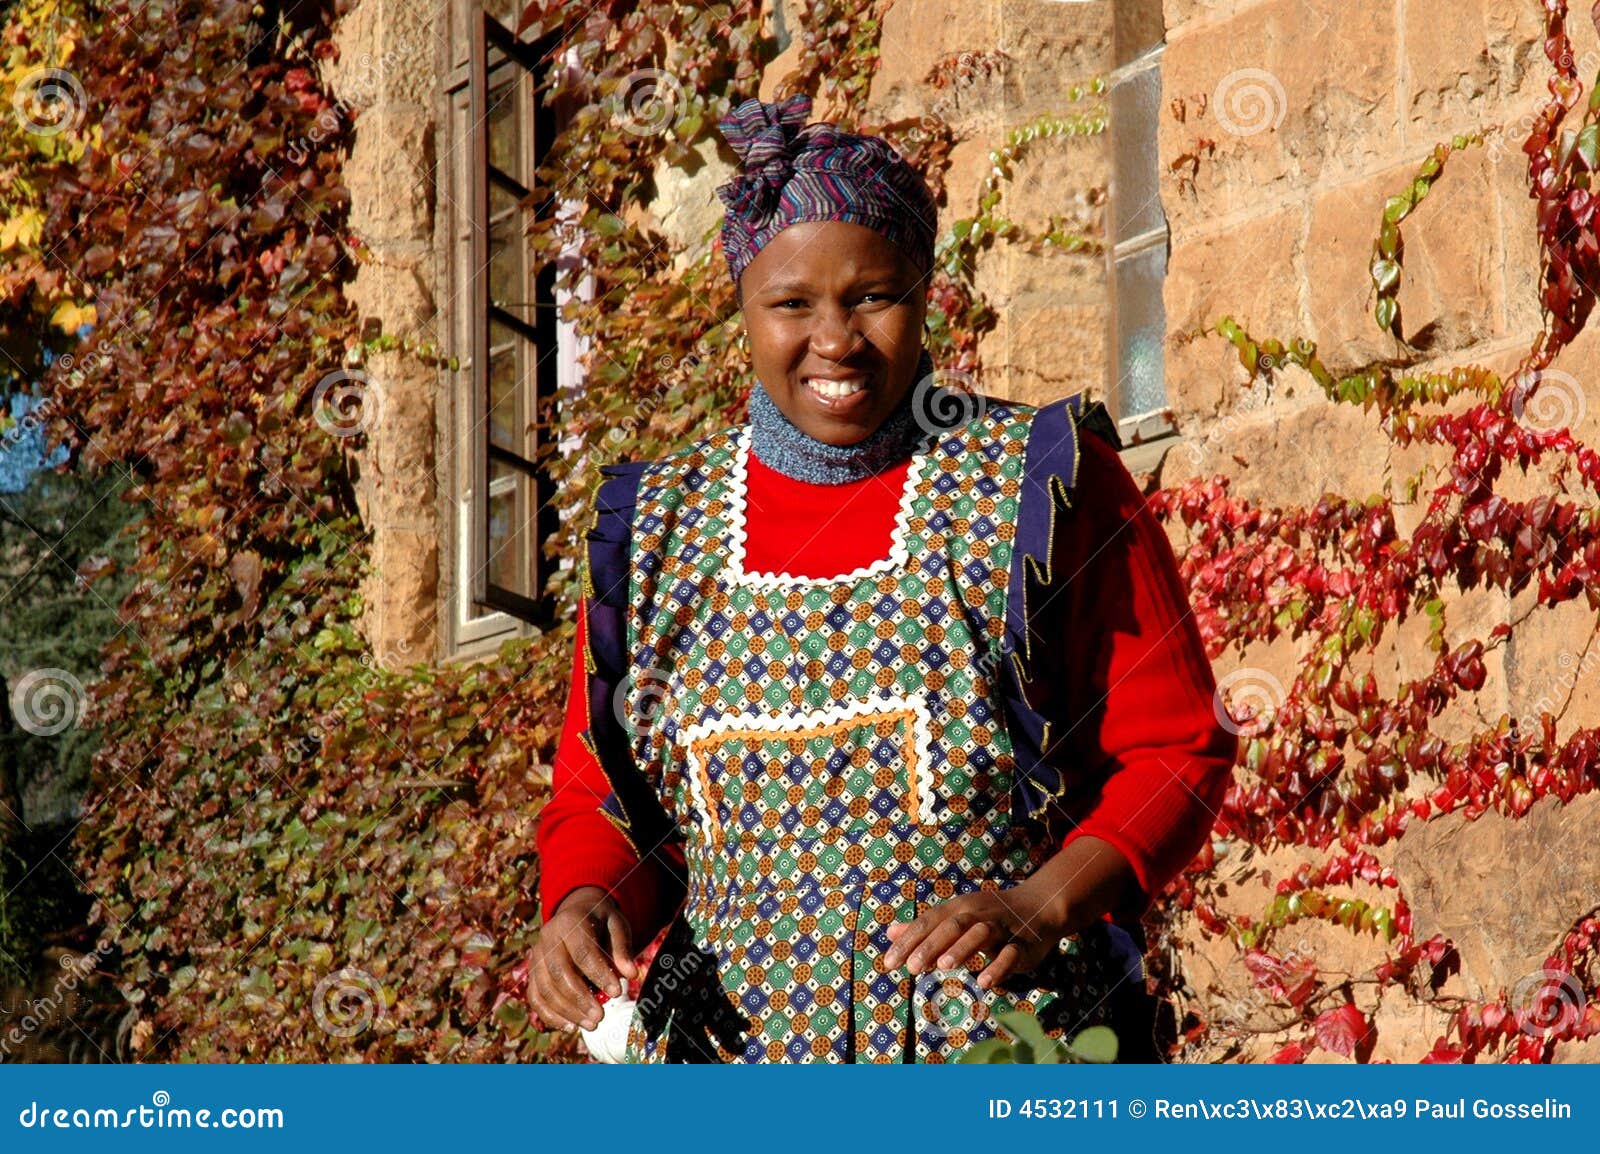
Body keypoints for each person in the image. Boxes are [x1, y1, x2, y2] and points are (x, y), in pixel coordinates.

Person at [525, 92, 1236, 1063]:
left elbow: (1175, 748)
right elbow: (610, 801)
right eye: (791, 304)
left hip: (1010, 1042)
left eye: (873, 296)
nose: (836, 340)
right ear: (743, 306)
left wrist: (1043, 899)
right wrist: (582, 901)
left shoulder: (1041, 479)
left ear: (922, 289)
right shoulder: (654, 528)